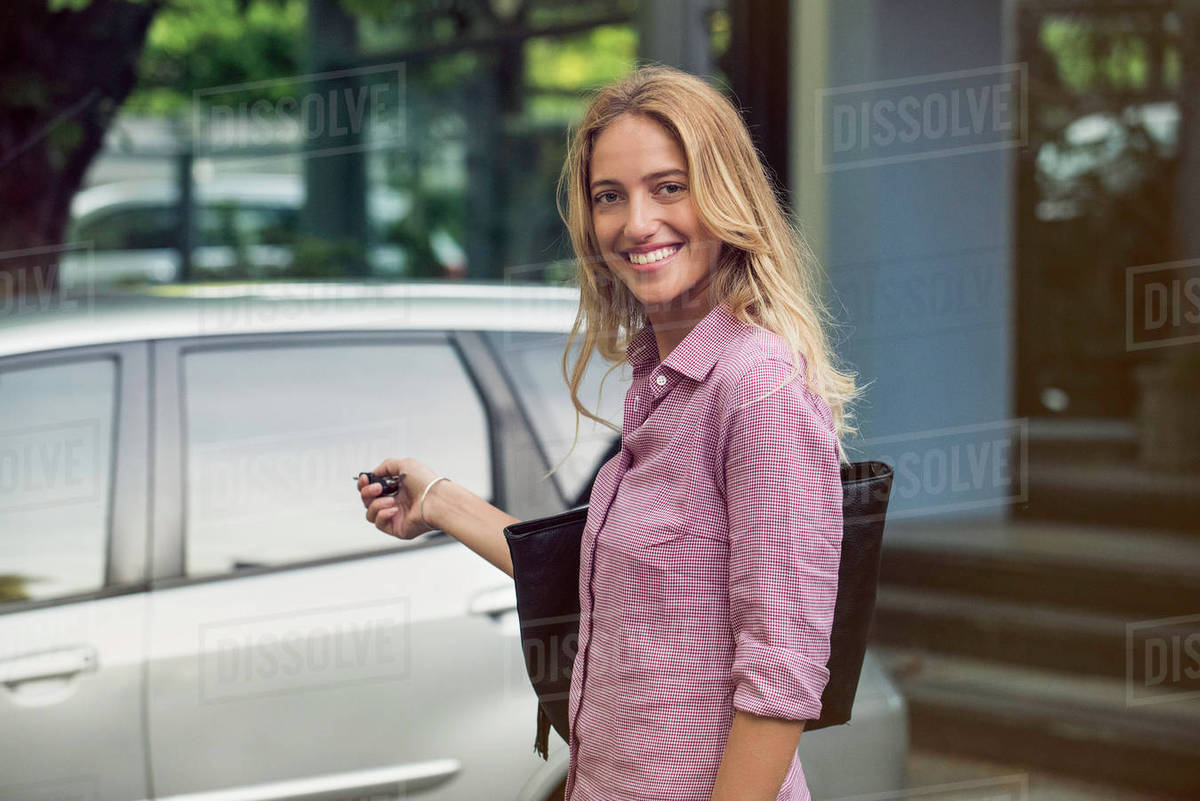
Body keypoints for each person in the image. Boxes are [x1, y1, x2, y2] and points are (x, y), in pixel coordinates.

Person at [358, 63, 861, 801]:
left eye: (669, 187)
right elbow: (600, 582)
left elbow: (782, 677)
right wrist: (437, 500)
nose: (636, 223)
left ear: (724, 194)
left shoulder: (757, 388)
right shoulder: (660, 385)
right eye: (609, 196)